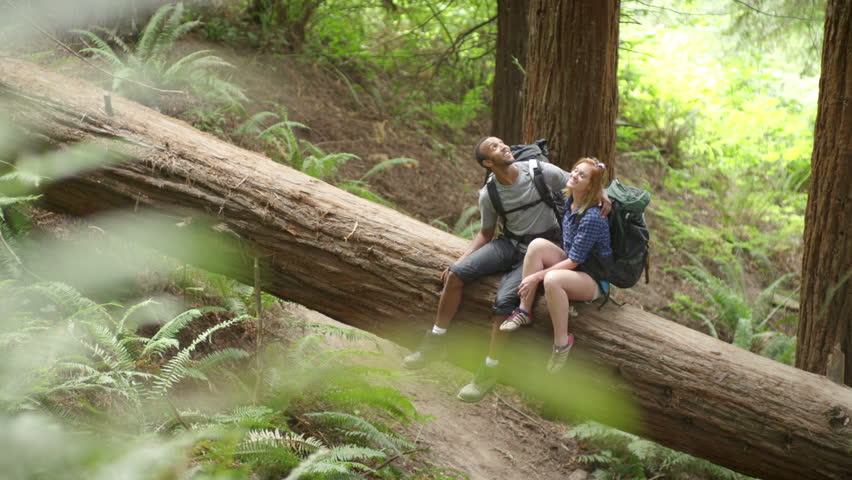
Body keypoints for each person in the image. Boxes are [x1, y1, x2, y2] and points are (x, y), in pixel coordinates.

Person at [402, 136, 579, 402]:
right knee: (455, 275)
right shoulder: (490, 193)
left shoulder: (539, 171)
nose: (504, 147)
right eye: (494, 148)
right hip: (509, 242)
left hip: (542, 249)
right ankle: (436, 341)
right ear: (488, 162)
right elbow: (486, 233)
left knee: (504, 300)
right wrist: (460, 261)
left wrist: (601, 198)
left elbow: (579, 186)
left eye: (501, 143)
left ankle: (489, 368)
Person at [499, 157, 613, 374]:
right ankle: (524, 310)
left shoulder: (592, 216)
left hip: (593, 278)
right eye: (575, 170)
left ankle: (562, 343)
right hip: (574, 266)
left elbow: (575, 261)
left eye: (582, 175)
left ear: (590, 185)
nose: (574, 175)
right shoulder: (572, 201)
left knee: (552, 280)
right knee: (537, 245)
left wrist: (536, 276)